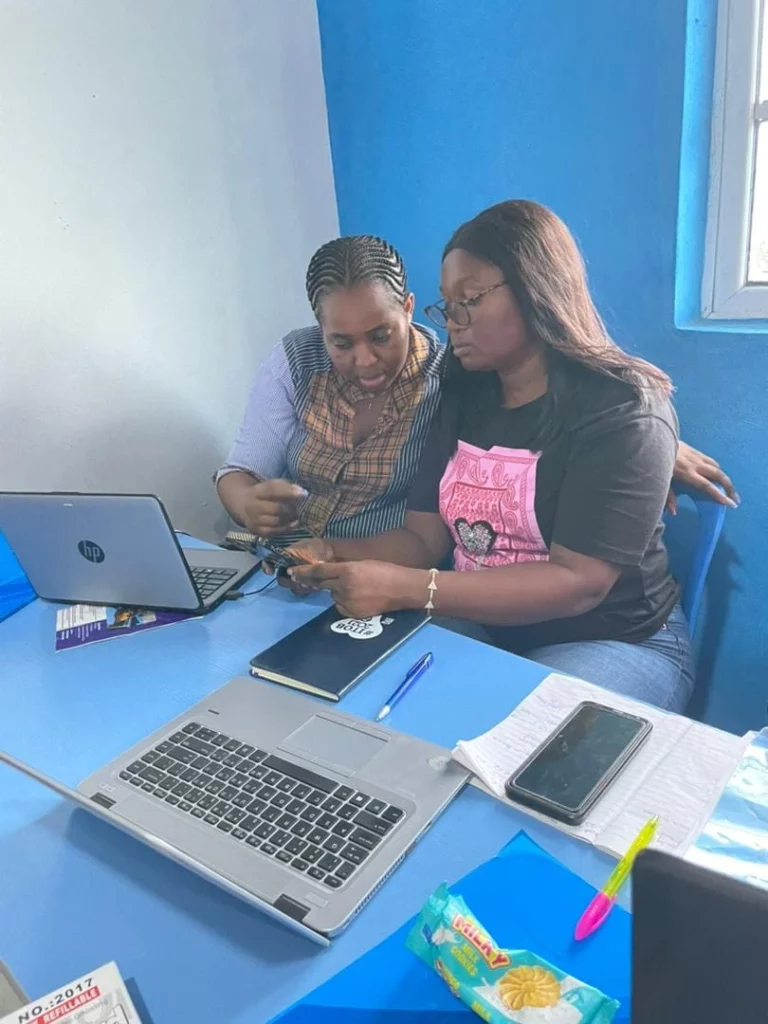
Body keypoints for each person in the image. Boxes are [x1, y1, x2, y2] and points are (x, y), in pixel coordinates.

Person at [289, 200, 716, 712]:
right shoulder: (464, 390)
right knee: (354, 693)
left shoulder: (622, 409)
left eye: (469, 300)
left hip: (610, 638)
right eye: (447, 305)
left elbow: (577, 585)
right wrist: (330, 553)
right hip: (483, 624)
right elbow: (423, 538)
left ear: (538, 290)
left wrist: (413, 590)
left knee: (519, 737)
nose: (453, 323)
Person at [216, 236, 737, 550]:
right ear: (318, 330)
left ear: (409, 309)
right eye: (341, 343)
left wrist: (661, 441)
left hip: (378, 577)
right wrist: (244, 503)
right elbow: (239, 470)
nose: (365, 361)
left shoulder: (456, 374)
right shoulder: (296, 360)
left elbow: (559, 388)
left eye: (381, 336)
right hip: (279, 571)